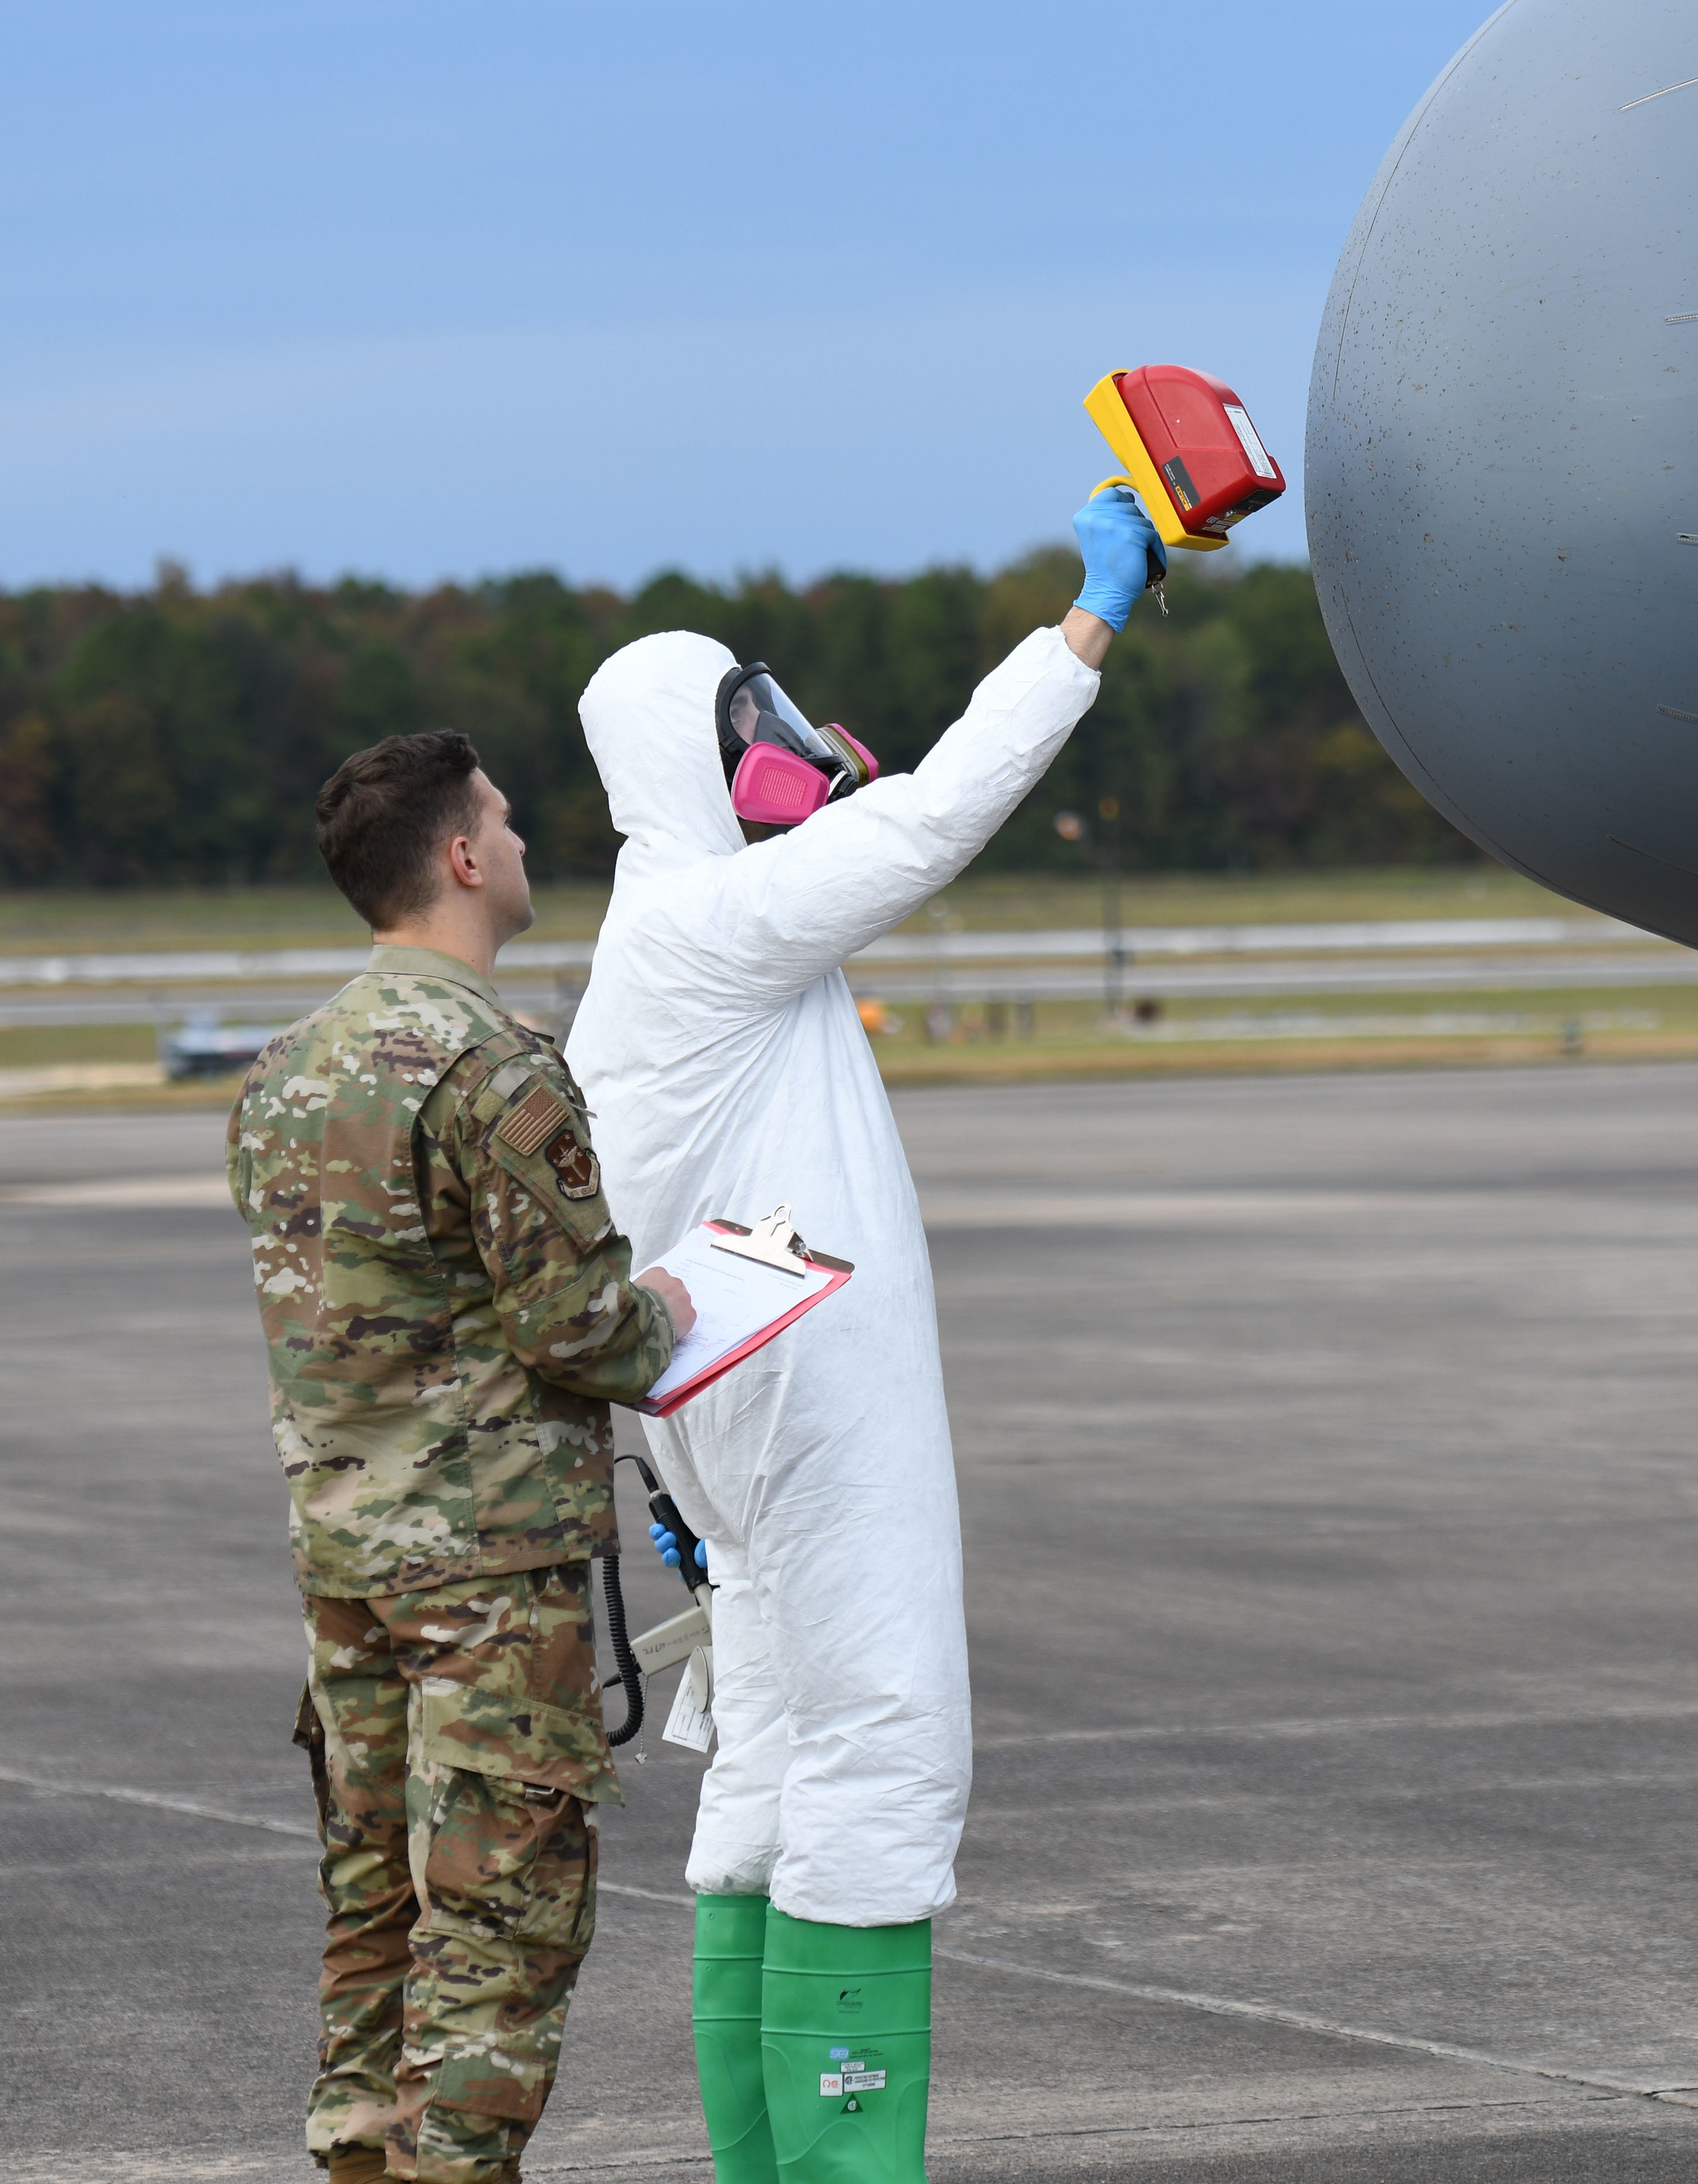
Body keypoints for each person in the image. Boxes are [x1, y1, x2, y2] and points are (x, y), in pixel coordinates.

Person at [573, 484, 1167, 2183]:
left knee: (769, 1764)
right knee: (883, 1743)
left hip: (735, 1428)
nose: (776, 734)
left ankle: (770, 2168)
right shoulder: (708, 919)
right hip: (805, 1410)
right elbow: (923, 820)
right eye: (739, 713)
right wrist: (1085, 626)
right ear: (682, 759)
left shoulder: (675, 936)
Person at [229, 729, 700, 2184]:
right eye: (502, 817)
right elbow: (588, 1335)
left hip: (349, 1569)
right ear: (459, 858)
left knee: (375, 1904)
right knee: (499, 1924)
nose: (520, 837)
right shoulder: (495, 1070)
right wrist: (673, 1302)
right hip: (490, 1580)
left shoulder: (283, 1075)